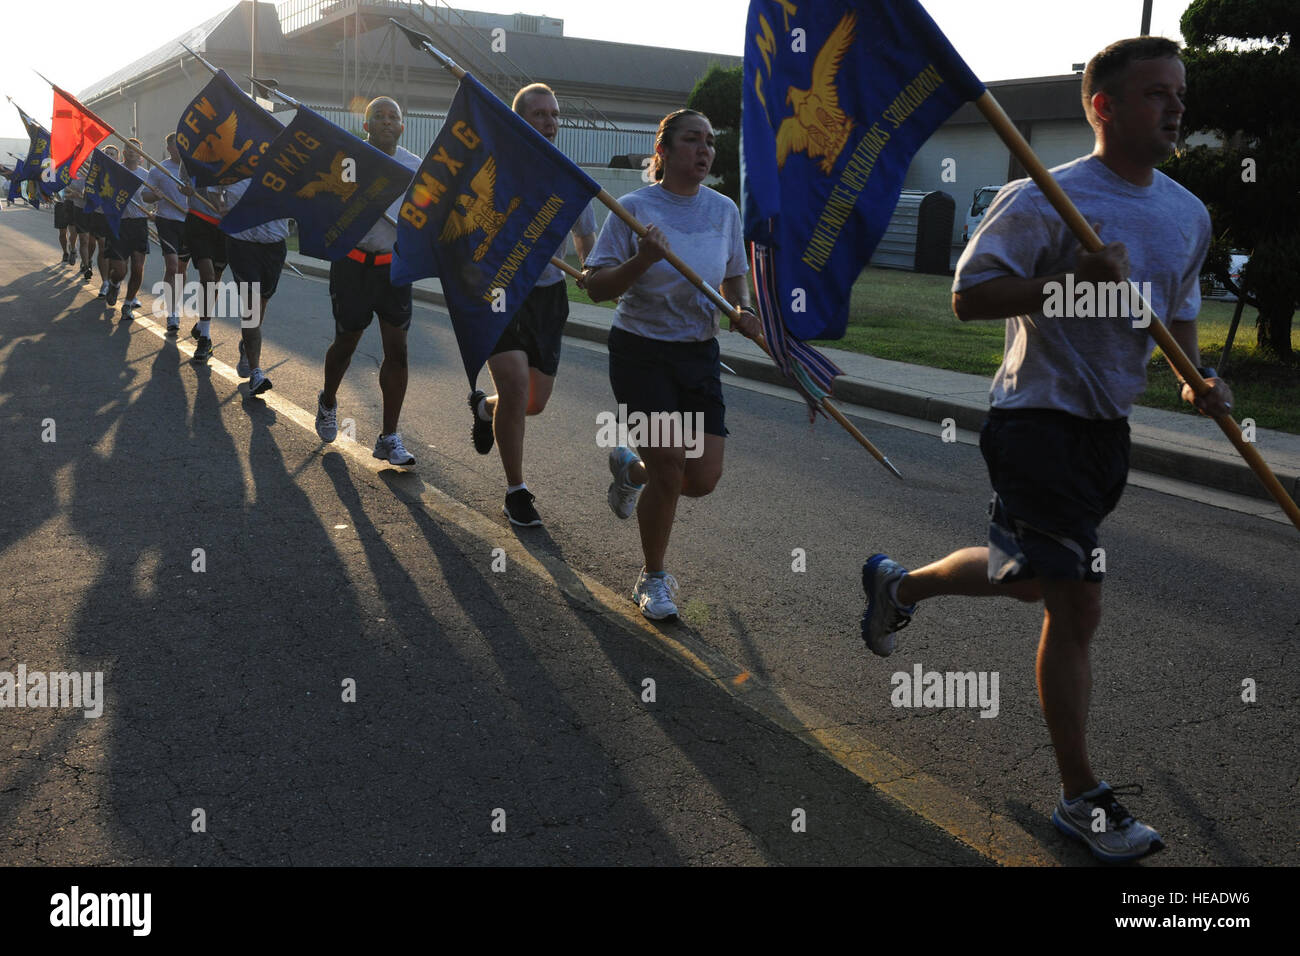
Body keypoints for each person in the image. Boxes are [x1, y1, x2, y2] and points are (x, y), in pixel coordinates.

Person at [857, 37, 1231, 863]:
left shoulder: (1188, 212)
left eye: (1179, 94)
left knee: (1022, 581)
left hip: (1106, 433)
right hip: (1037, 422)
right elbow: (967, 297)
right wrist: (1071, 283)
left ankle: (899, 584)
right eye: (1154, 94)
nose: (1175, 108)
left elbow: (1179, 320)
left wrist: (1198, 380)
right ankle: (1080, 799)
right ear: (1101, 105)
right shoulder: (1045, 198)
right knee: (1078, 602)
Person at [583, 108, 760, 620]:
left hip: (698, 353)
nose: (703, 150)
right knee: (670, 467)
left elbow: (734, 276)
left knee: (701, 477)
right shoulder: (633, 208)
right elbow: (595, 287)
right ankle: (653, 577)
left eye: (709, 141)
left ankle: (630, 471)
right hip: (642, 353)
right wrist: (641, 260)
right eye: (690, 140)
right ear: (662, 151)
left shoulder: (724, 209)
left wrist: (742, 309)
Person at [467, 82, 597, 526]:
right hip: (500, 292)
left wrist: (592, 270)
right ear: (518, 121)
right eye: (540, 114)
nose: (550, 122)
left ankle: (487, 407)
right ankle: (515, 491)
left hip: (549, 297)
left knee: (533, 402)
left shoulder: (571, 178)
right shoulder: (496, 171)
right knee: (518, 386)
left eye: (555, 114)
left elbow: (585, 240)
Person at [313, 95, 422, 467]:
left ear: (402, 126)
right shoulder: (349, 159)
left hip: (394, 269)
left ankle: (388, 436)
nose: (387, 121)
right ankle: (328, 401)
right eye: (379, 116)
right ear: (367, 125)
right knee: (346, 342)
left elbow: (424, 216)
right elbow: (330, 204)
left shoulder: (413, 167)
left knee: (398, 350)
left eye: (394, 116)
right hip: (353, 265)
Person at [220, 176, 289, 397]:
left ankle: (246, 345)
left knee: (259, 306)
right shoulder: (234, 167)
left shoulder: (286, 169)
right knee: (251, 308)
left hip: (274, 246)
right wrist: (221, 206)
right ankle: (256, 372)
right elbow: (212, 188)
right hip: (242, 245)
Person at [141, 133, 191, 335]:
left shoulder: (192, 168)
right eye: (176, 145)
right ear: (169, 148)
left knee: (181, 268)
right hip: (167, 221)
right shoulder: (158, 169)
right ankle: (172, 313)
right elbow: (145, 196)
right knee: (171, 265)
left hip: (188, 222)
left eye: (183, 145)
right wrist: (155, 195)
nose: (180, 148)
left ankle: (176, 304)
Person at [178, 170, 227, 363]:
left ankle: (201, 324)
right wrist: (185, 189)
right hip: (199, 220)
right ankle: (205, 338)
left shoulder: (232, 151)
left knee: (215, 279)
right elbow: (182, 183)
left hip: (224, 224)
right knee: (207, 277)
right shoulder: (192, 151)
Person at [110, 138, 153, 319]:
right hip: (119, 223)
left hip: (139, 223)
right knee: (120, 270)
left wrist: (155, 199)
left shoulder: (146, 175)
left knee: (137, 267)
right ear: (124, 152)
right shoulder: (116, 171)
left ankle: (128, 303)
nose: (132, 152)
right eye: (128, 149)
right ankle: (114, 284)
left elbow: (150, 197)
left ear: (141, 155)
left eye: (136, 150)